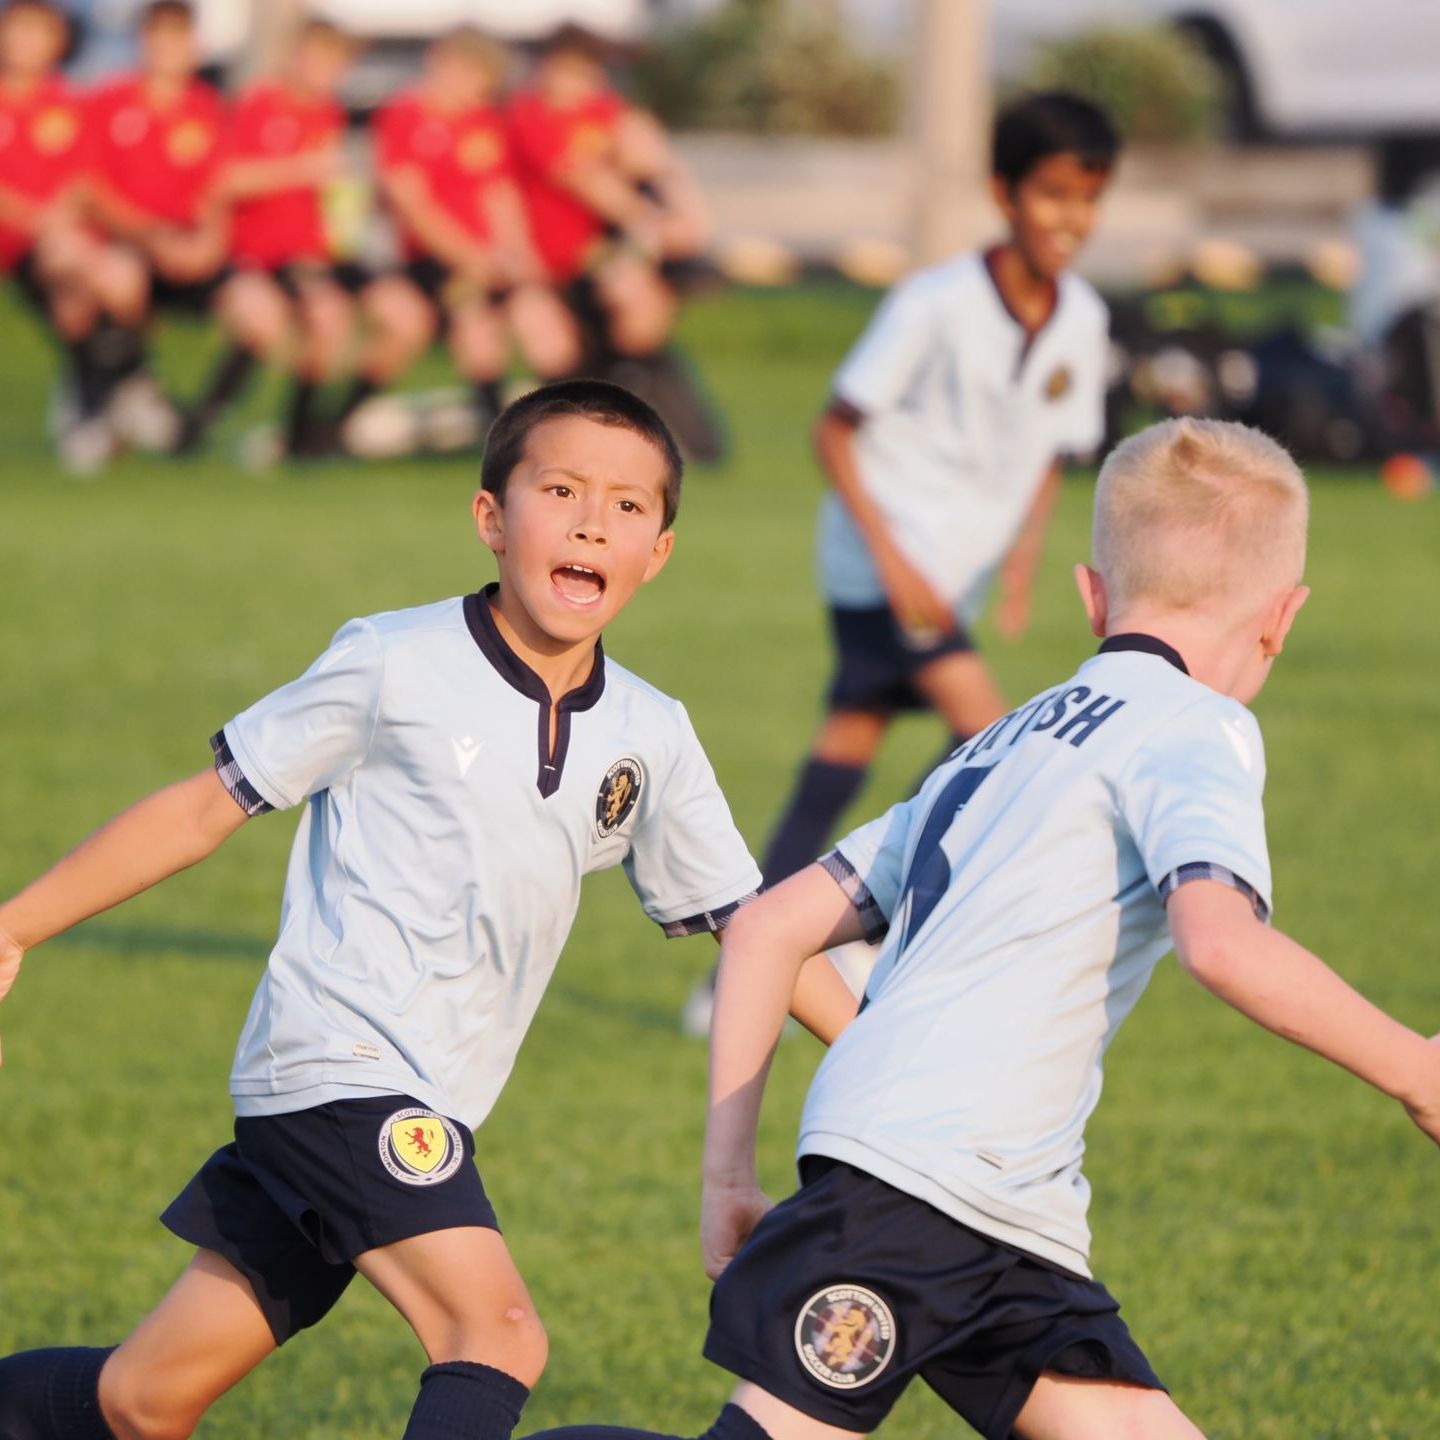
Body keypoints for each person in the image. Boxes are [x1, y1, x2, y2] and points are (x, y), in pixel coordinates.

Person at [520, 416, 1440, 1440]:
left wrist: (728, 1177)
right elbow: (1221, 944)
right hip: (926, 1191)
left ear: (1092, 595)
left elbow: (768, 926)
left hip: (1004, 1211)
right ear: (1282, 616)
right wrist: (1417, 1070)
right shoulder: (1197, 726)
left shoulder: (999, 740)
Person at [0, 380, 855, 1440]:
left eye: (629, 505)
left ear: (659, 553)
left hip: (423, 1098)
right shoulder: (392, 660)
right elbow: (203, 809)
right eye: (562, 490)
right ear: (492, 517)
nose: (594, 521)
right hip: (340, 1067)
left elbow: (757, 930)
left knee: (142, 1401)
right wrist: (16, 925)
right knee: (496, 1334)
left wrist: (887, 1054)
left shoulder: (653, 732)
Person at [681, 91, 1120, 1033]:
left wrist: (1021, 563)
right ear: (1004, 193)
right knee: (996, 744)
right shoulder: (936, 301)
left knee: (842, 753)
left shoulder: (1083, 318)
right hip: (883, 566)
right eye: (1052, 193)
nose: (1071, 218)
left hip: (950, 577)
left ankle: (739, 969)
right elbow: (833, 431)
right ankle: (870, 935)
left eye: (1089, 198)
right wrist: (894, 561)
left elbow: (1053, 449)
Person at [338, 26, 578, 456]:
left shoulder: (481, 122)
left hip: (489, 259)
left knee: (544, 327)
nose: (476, 92)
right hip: (436, 259)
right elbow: (412, 203)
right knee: (475, 327)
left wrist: (518, 254)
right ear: (444, 65)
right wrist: (469, 258)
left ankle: (570, 435)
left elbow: (498, 195)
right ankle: (501, 445)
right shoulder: (405, 115)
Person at [508, 24, 723, 460]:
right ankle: (579, 439)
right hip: (553, 263)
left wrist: (686, 218)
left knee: (638, 320)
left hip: (603, 255)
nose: (576, 83)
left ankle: (696, 441)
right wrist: (650, 223)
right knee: (556, 349)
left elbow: (657, 164)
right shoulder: (530, 115)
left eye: (585, 72)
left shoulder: (611, 114)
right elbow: (584, 179)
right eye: (566, 71)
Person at [178, 17, 362, 458]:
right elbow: (225, 180)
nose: (326, 72)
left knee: (330, 322)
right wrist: (301, 168)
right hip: (253, 254)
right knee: (266, 323)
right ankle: (203, 422)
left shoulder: (328, 113)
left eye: (336, 64)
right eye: (320, 59)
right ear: (297, 56)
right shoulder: (258, 104)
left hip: (303, 256)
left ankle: (299, 435)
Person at [0, 0, 149, 471]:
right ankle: (127, 384)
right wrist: (37, 220)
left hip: (63, 244)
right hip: (18, 243)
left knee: (108, 284)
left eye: (37, 32)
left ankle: (91, 408)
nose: (26, 42)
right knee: (81, 277)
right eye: (18, 30)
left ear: (58, 42)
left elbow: (85, 179)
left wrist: (58, 219)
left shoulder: (71, 104)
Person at [84, 0, 229, 453]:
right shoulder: (109, 101)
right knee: (117, 281)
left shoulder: (207, 106)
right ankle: (102, 405)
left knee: (256, 310)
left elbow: (215, 188)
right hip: (128, 240)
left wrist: (210, 241)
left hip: (187, 244)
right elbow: (91, 188)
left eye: (178, 37)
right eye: (159, 37)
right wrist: (153, 237)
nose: (168, 48)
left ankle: (196, 425)